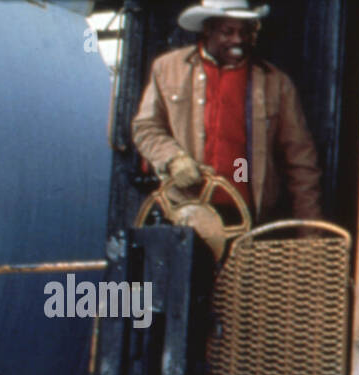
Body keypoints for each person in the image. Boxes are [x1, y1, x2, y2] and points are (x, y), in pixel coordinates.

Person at [131, 0, 323, 256]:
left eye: (245, 31)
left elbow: (302, 163)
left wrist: (310, 239)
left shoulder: (276, 84)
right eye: (228, 31)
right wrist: (173, 159)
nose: (238, 39)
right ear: (207, 30)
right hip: (183, 218)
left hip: (248, 224)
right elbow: (145, 127)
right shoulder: (167, 69)